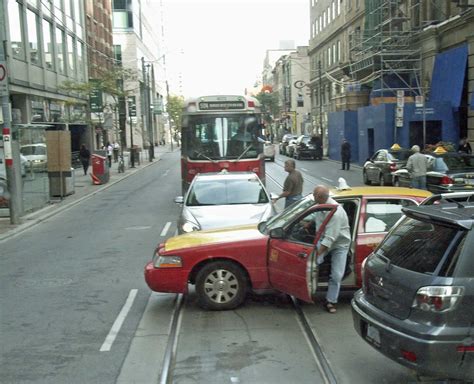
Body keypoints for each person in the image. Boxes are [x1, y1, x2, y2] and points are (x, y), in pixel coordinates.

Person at [312, 185, 351, 314]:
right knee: (312, 265)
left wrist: (315, 255)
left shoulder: (336, 213)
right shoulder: (320, 205)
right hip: (323, 239)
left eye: (314, 195)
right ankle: (307, 290)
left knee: (336, 275)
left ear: (320, 197)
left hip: (339, 244)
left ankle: (330, 301)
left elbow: (329, 239)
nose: (312, 197)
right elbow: (318, 222)